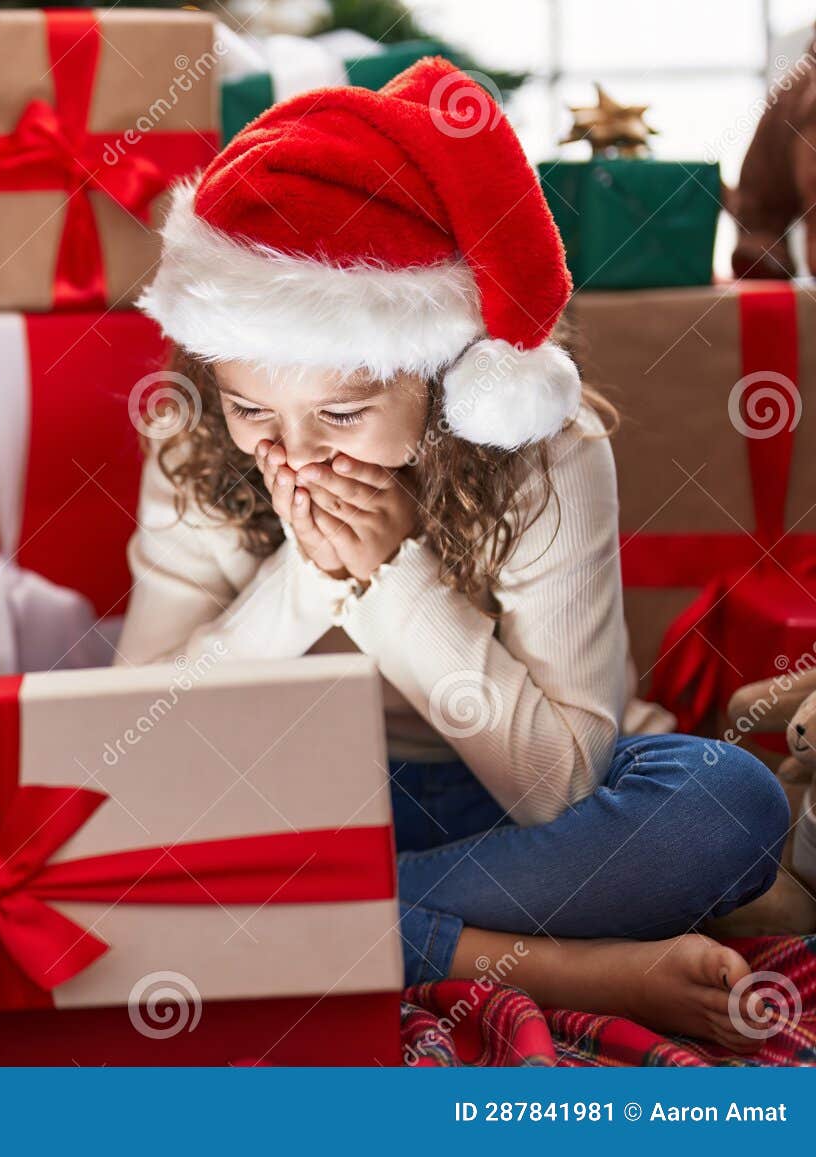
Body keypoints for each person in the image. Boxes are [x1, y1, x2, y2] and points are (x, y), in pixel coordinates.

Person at [117, 58, 791, 1051]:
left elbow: (560, 784)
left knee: (725, 804)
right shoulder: (195, 446)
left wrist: (395, 581)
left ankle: (306, 929)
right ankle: (553, 958)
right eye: (251, 407)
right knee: (125, 831)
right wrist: (308, 579)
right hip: (294, 796)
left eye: (342, 412)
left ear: (443, 383)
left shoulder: (550, 453)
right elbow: (148, 732)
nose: (295, 454)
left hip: (505, 819)